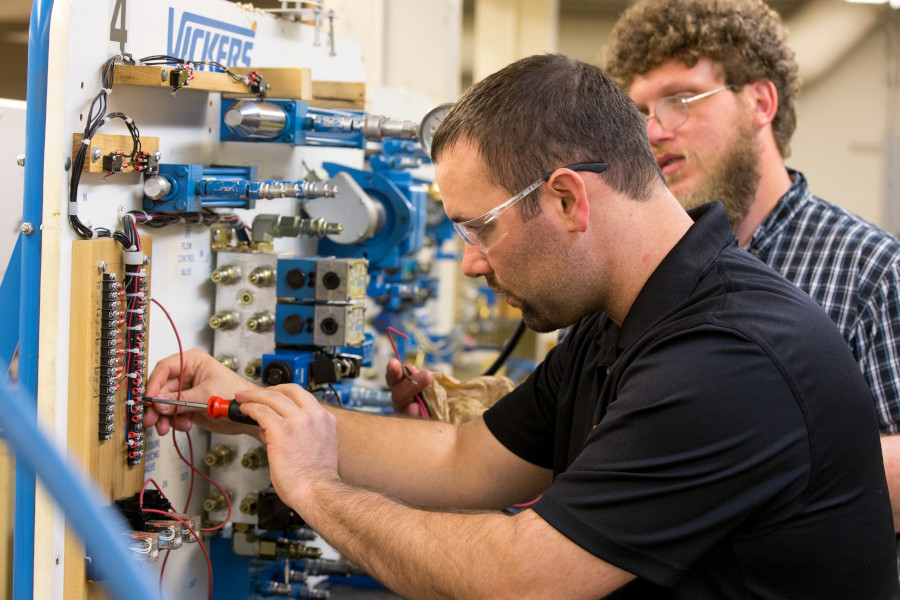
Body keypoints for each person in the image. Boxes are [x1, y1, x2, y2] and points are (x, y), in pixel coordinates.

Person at [146, 55, 898, 598]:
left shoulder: (730, 357)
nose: (470, 264)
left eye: (480, 230)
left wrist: (316, 489)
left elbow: (524, 578)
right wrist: (258, 411)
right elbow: (463, 459)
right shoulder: (627, 318)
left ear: (569, 200)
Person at [602, 0, 900, 529]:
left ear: (760, 102)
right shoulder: (639, 277)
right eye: (640, 112)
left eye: (680, 99)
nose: (652, 132)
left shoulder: (870, 270)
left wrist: (735, 471)